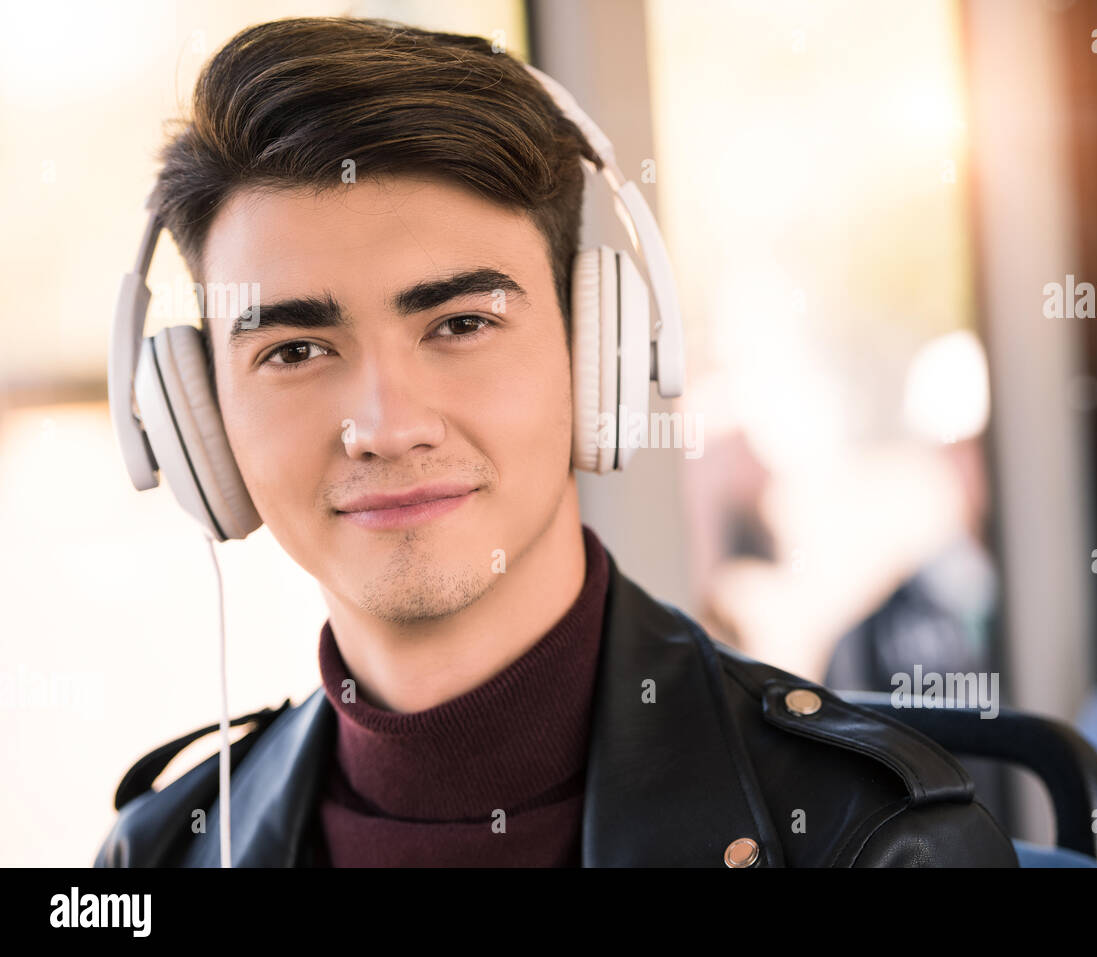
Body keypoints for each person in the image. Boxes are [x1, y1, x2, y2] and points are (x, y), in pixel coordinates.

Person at [94, 16, 1016, 867]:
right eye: (295, 349)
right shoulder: (160, 854)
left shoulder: (875, 840)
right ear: (196, 418)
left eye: (459, 324)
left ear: (597, 354)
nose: (383, 427)